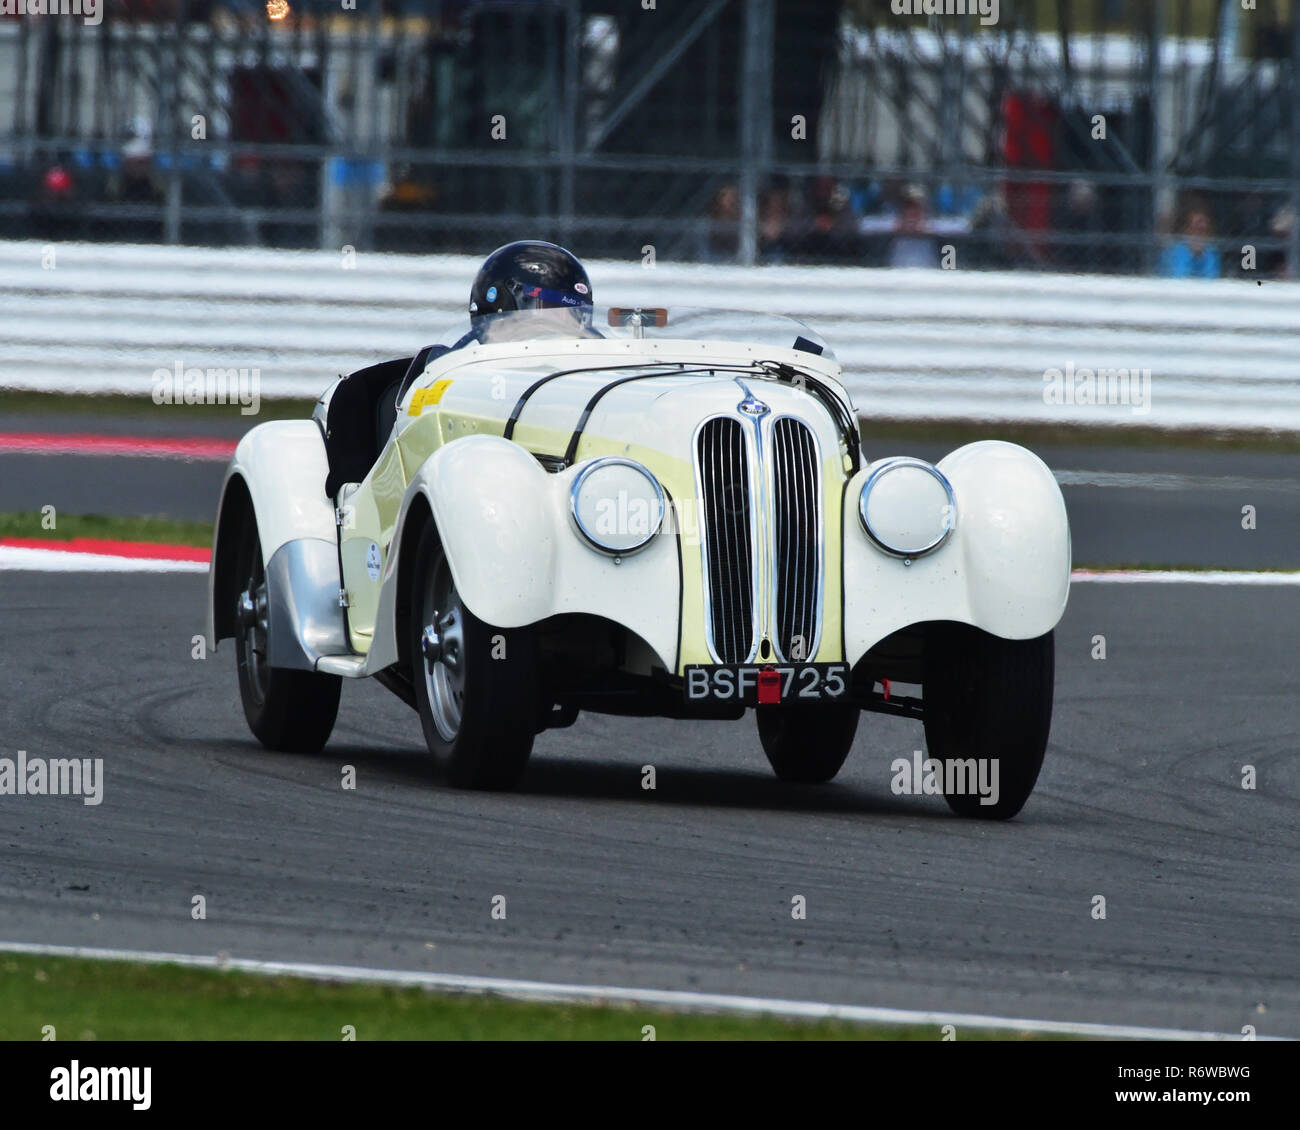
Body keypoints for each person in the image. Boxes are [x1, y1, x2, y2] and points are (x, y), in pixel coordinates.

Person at [1160, 200, 1220, 279]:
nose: (1200, 235)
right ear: (1185, 230)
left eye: (1204, 230)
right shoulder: (1172, 253)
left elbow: (1212, 282)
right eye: (1196, 229)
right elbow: (1179, 283)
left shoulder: (1212, 253)